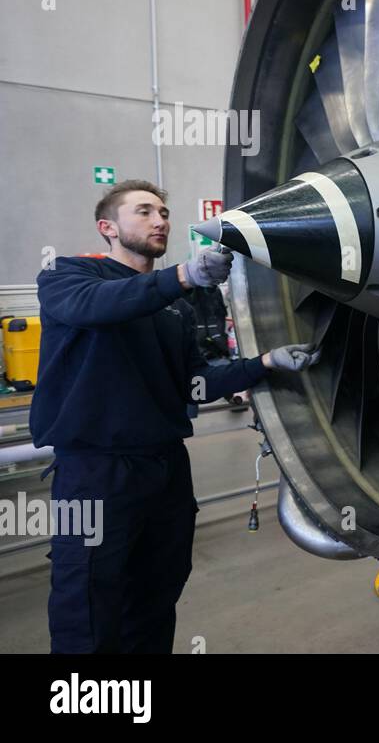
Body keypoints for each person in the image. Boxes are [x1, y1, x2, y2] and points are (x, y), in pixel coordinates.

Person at [31, 180, 319, 653]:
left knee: (157, 592)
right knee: (86, 600)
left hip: (164, 469)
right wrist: (183, 276)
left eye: (164, 212)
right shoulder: (70, 277)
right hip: (93, 471)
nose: (159, 220)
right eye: (143, 211)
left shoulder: (174, 309)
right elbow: (97, 308)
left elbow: (194, 383)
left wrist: (264, 364)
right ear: (108, 227)